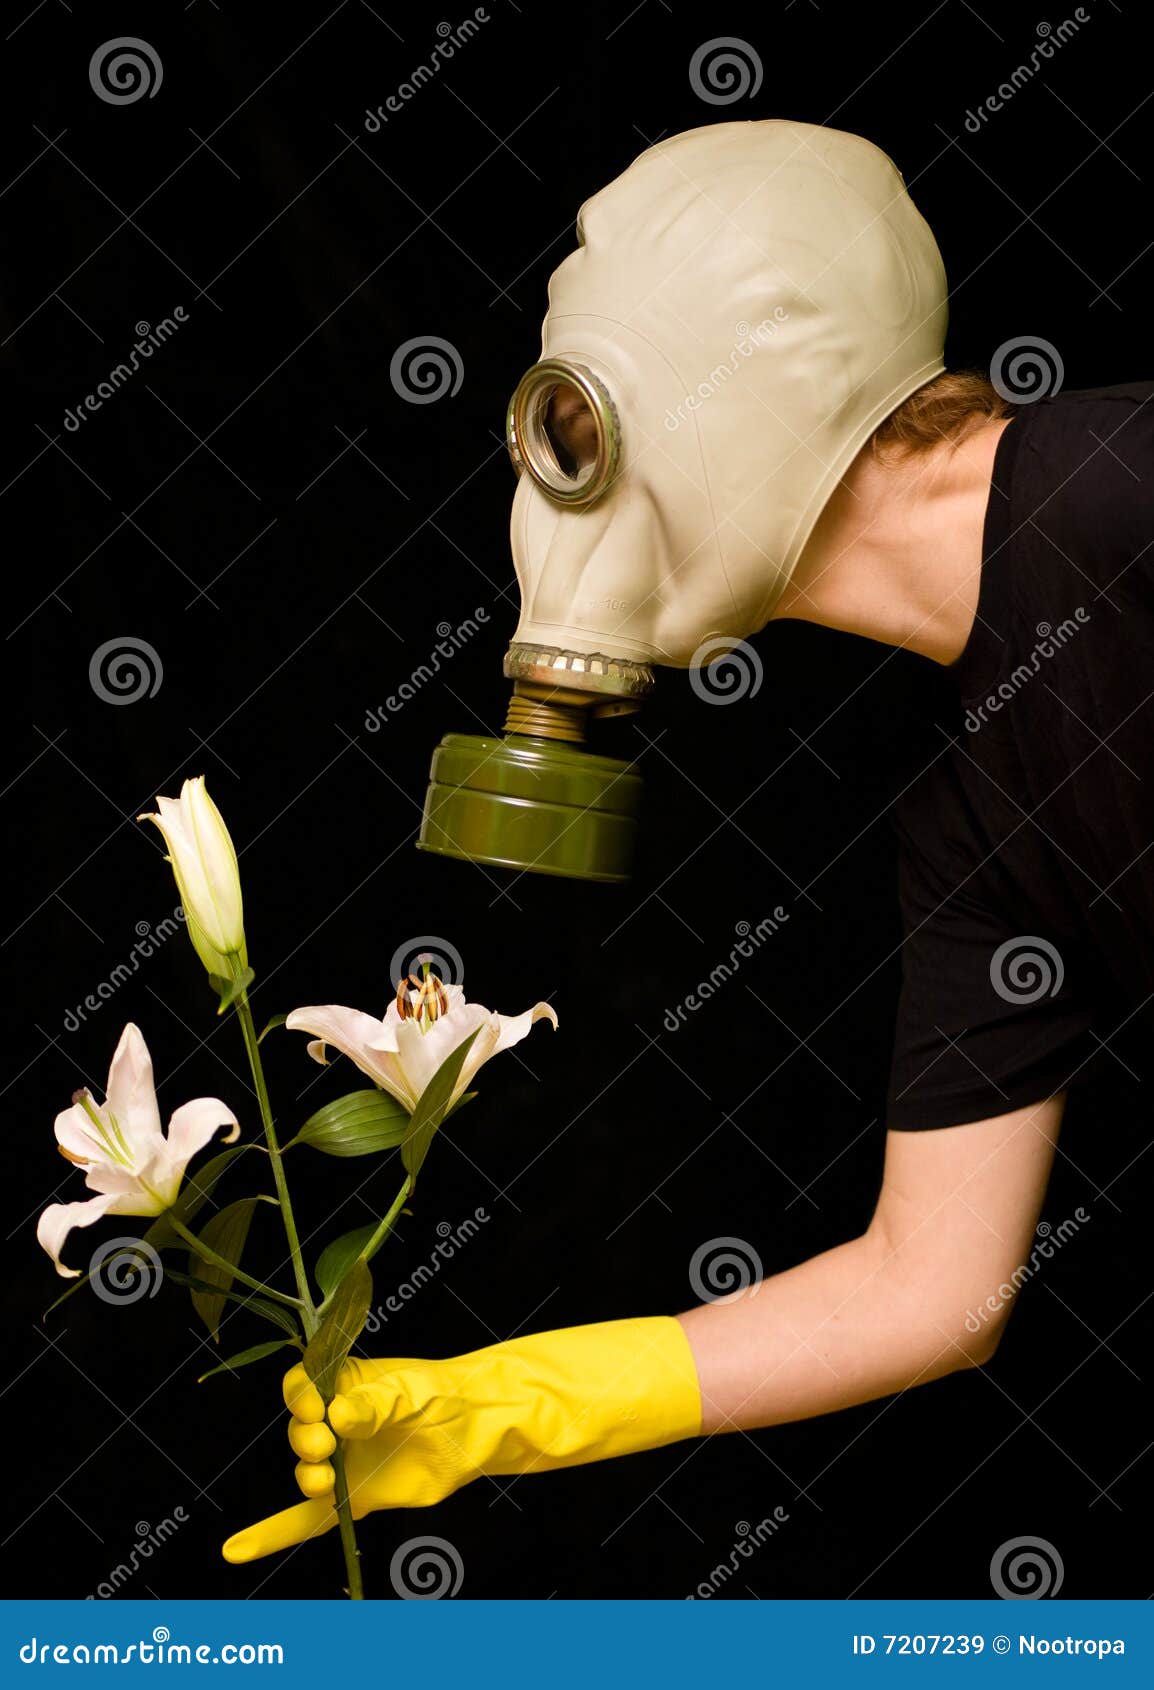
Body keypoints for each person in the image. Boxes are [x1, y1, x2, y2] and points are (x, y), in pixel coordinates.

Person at [222, 123, 1153, 1566]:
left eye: (578, 432)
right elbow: (934, 1286)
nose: (553, 502)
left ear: (763, 376)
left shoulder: (1124, 482)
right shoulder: (977, 802)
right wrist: (519, 1406)